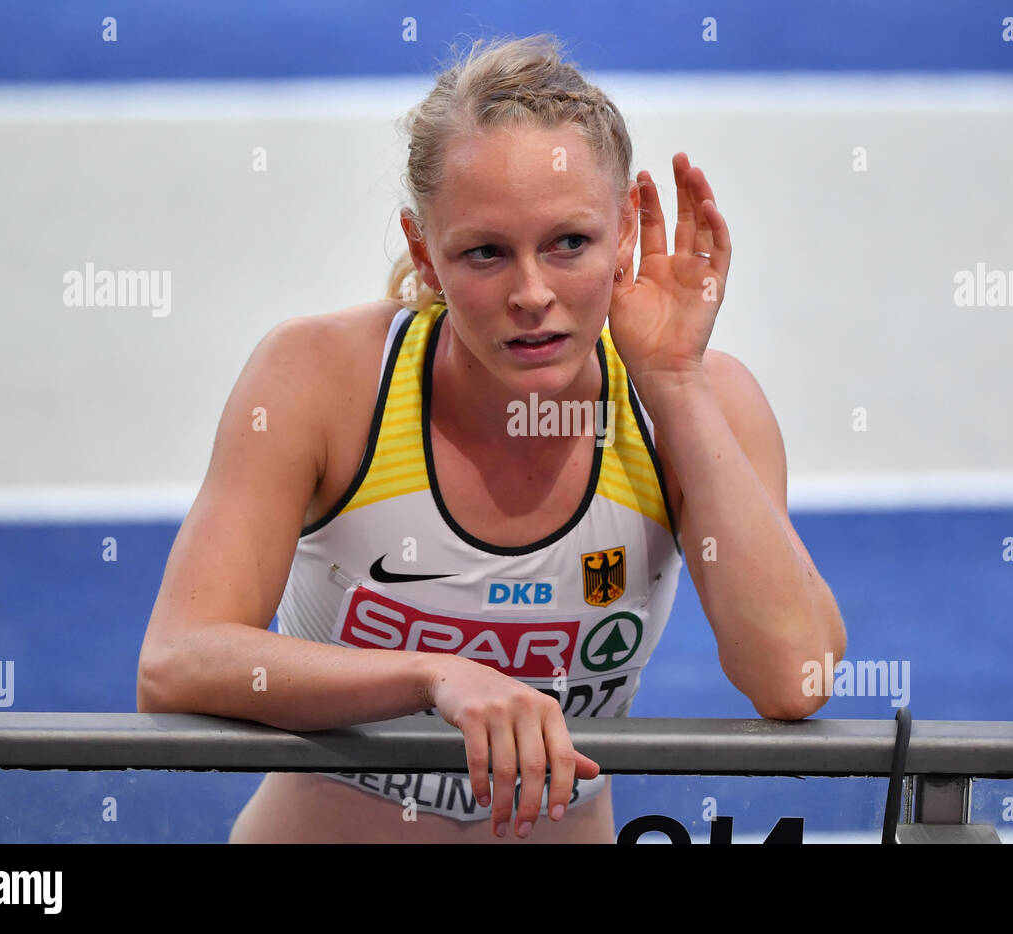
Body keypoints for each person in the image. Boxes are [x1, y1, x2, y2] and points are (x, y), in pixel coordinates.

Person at [136, 33, 845, 843]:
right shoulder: (317, 380)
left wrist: (675, 382)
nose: (532, 293)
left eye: (569, 242)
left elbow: (795, 679)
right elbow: (176, 662)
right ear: (424, 253)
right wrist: (434, 677)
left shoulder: (700, 401)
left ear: (625, 232)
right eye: (485, 253)